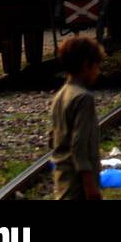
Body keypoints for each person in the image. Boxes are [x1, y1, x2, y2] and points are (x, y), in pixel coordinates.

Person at [50, 36, 105, 200]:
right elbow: (79, 145)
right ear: (86, 65)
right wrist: (90, 185)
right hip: (78, 186)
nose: (98, 72)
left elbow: (52, 139)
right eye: (96, 67)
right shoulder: (83, 98)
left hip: (63, 181)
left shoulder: (61, 95)